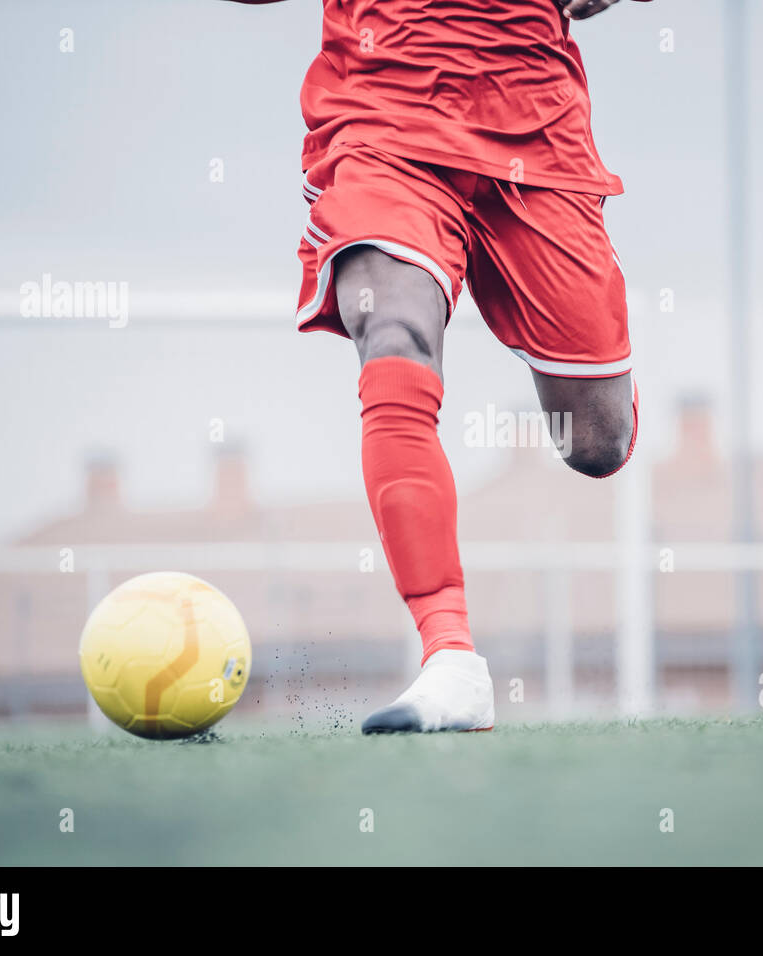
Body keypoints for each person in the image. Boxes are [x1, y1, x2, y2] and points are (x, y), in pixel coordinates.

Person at [226, 0, 647, 732]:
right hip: (386, 113)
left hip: (535, 119)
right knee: (393, 327)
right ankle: (450, 655)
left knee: (595, 440)